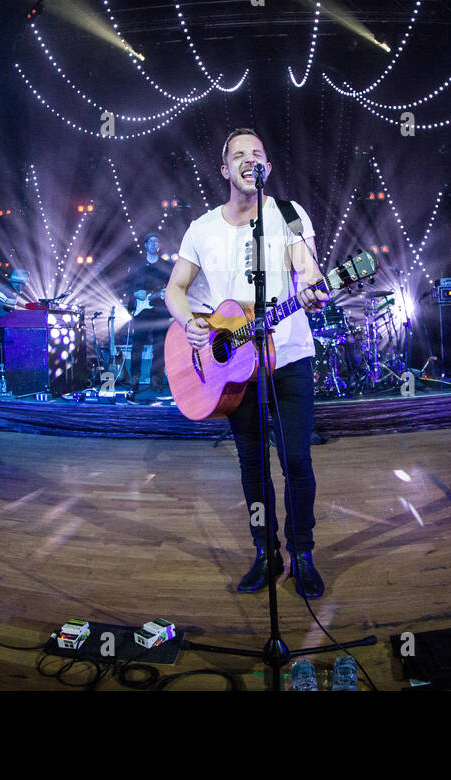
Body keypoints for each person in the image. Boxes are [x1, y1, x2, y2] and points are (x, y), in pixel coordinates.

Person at [164, 128, 330, 597]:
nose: (248, 158)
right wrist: (191, 323)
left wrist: (315, 288)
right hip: (234, 368)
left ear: (267, 168)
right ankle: (265, 552)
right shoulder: (202, 229)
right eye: (238, 154)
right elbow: (174, 289)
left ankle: (302, 553)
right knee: (252, 465)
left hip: (288, 357)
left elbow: (308, 270)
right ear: (225, 170)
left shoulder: (288, 215)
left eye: (257, 153)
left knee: (295, 459)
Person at [124, 232, 173, 397]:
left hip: (160, 311)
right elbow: (126, 285)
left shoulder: (166, 266)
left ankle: (156, 381)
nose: (153, 244)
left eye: (156, 241)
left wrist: (167, 292)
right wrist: (134, 293)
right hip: (141, 312)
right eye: (150, 241)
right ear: (145, 245)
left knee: (159, 347)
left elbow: (173, 283)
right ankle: (134, 379)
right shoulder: (137, 265)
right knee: (137, 346)